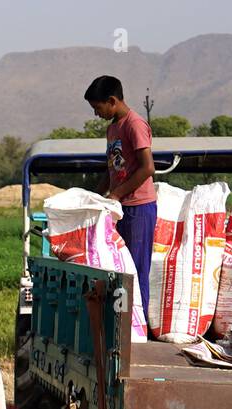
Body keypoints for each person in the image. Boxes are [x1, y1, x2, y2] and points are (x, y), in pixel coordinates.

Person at [86, 75, 157, 314]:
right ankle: (122, 327)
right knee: (119, 268)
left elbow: (147, 167)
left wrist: (116, 194)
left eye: (98, 108)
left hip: (138, 207)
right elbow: (111, 169)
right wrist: (93, 197)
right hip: (120, 208)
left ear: (112, 100)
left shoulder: (134, 124)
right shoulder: (112, 129)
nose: (96, 113)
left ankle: (139, 328)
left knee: (135, 269)